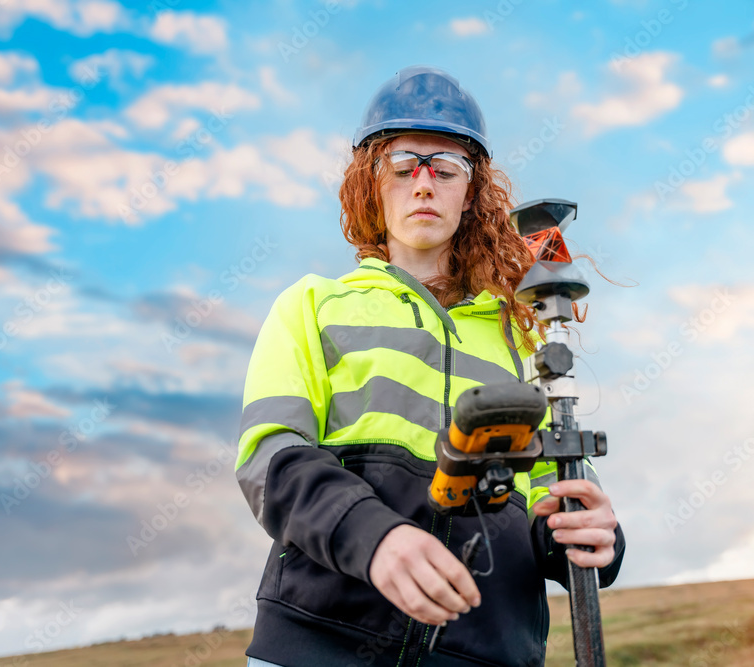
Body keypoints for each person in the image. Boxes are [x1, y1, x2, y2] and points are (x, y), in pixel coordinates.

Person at [236, 65, 625, 667]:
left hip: (483, 654)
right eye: (402, 166)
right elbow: (271, 461)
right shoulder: (312, 305)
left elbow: (552, 497)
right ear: (372, 185)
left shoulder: (518, 337)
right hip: (320, 646)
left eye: (445, 169)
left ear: (470, 194)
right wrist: (375, 537)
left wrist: (593, 534)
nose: (424, 185)